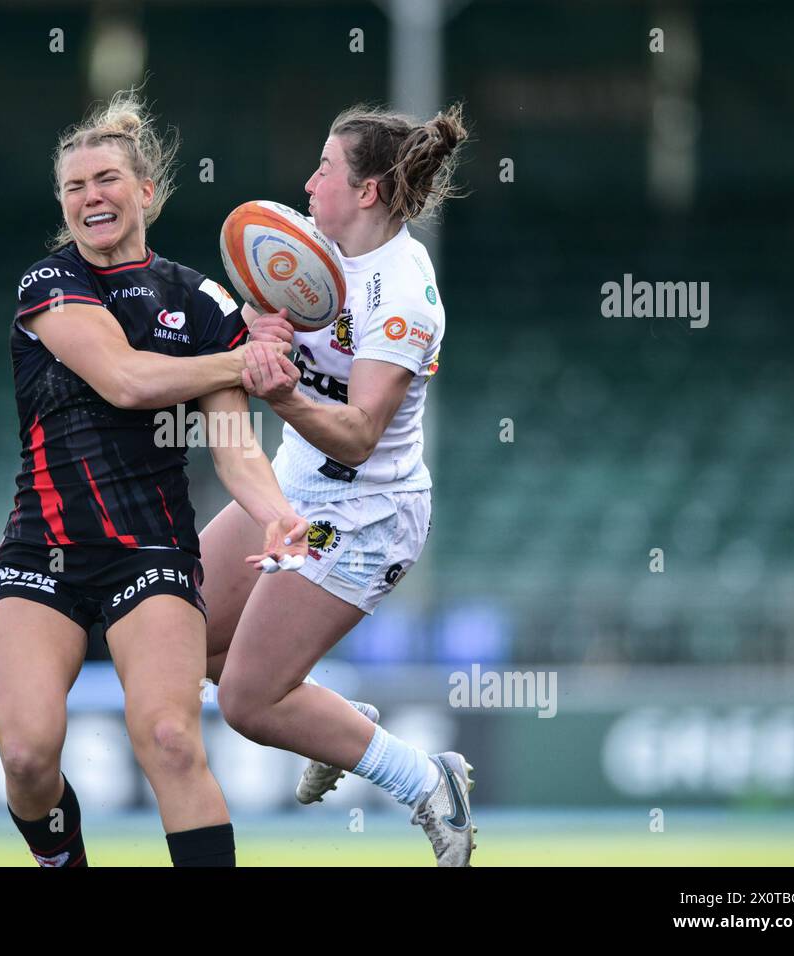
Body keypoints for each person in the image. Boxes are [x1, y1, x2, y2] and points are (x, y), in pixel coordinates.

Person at [0, 91, 307, 868]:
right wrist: (246, 358)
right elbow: (125, 381)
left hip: (151, 551)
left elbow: (235, 448)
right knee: (27, 759)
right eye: (74, 187)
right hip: (42, 551)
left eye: (106, 180)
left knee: (168, 737)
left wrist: (277, 513)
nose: (91, 196)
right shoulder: (48, 284)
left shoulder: (199, 301)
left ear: (146, 192)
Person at [199, 104, 477, 865]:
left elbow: (357, 435)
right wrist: (260, 330)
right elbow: (265, 316)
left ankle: (427, 781)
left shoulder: (404, 295)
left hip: (366, 512)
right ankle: (330, 719)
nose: (308, 181)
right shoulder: (308, 249)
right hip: (295, 484)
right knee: (177, 629)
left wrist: (280, 393)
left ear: (368, 191)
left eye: (326, 168)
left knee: (248, 702)